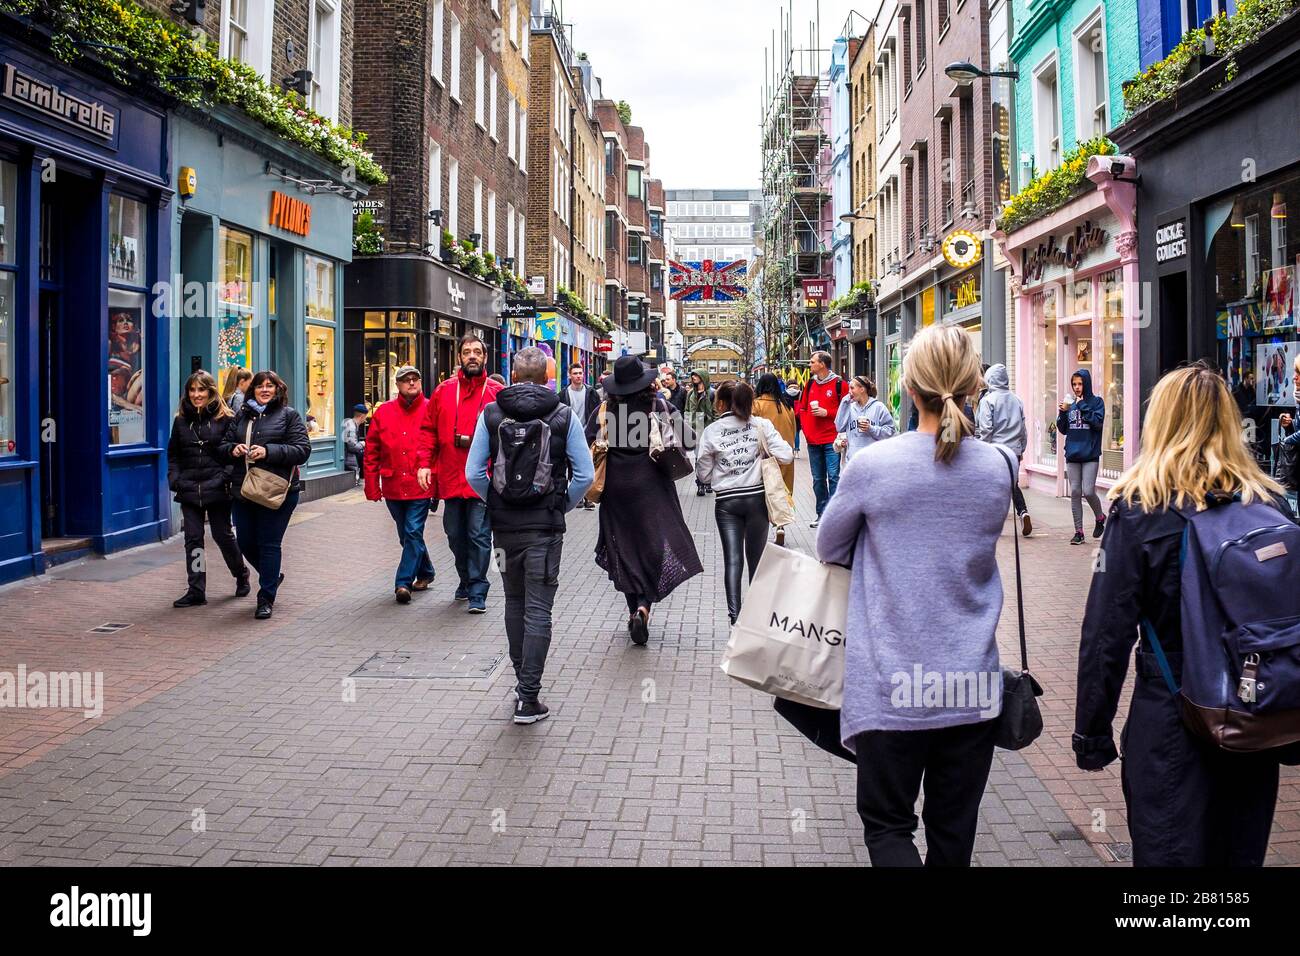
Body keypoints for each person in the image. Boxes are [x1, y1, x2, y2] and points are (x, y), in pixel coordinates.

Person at [1074, 362, 1296, 866]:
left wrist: (1092, 731)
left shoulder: (1139, 508)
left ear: (1162, 423)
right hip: (1252, 719)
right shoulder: (1271, 505)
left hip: (1173, 718)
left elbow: (1106, 633)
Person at [816, 324, 1012, 866]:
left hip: (890, 683)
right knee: (953, 835)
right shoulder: (998, 469)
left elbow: (829, 547)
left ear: (908, 388)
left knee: (888, 828)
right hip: (970, 684)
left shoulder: (873, 466)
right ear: (972, 385)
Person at [466, 347, 594, 725]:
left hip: (503, 532)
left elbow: (474, 473)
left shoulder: (490, 413)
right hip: (544, 531)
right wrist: (561, 505)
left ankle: (522, 683)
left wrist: (496, 500)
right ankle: (528, 696)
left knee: (513, 600)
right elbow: (584, 476)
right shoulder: (562, 415)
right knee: (539, 608)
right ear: (547, 377)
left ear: (514, 374)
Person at [586, 355, 703, 646]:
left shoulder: (604, 409)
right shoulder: (658, 405)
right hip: (652, 486)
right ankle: (643, 607)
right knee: (654, 546)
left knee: (624, 548)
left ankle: (633, 609)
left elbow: (586, 440)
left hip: (615, 488)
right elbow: (689, 439)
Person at [417, 334, 503, 614]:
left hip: (482, 479)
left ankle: (478, 589)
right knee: (454, 534)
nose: (472, 356)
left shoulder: (495, 393)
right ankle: (465, 579)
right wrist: (424, 464)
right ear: (459, 358)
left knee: (478, 534)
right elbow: (428, 430)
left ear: (485, 357)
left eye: (477, 352)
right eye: (467, 352)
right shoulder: (444, 391)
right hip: (451, 477)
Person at [695, 381, 793, 625]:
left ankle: (734, 615)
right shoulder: (761, 425)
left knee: (733, 558)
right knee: (756, 558)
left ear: (721, 403)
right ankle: (756, 613)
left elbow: (703, 475)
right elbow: (787, 455)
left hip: (727, 502)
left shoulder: (713, 431)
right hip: (756, 499)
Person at [218, 370, 311, 620]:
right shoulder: (242, 415)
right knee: (246, 542)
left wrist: (268, 451)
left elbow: (302, 450)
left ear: (278, 389)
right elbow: (223, 446)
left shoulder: (289, 415)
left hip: (277, 490)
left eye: (270, 386)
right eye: (260, 386)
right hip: (243, 489)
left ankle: (265, 597)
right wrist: (233, 449)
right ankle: (272, 576)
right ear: (252, 390)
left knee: (269, 543)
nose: (265, 390)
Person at [167, 370, 249, 607]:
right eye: (192, 390)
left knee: (222, 535)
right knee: (193, 540)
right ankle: (196, 590)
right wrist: (175, 479)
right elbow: (174, 454)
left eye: (201, 390)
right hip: (189, 488)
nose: (196, 395)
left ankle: (240, 573)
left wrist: (225, 477)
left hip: (218, 487)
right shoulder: (181, 421)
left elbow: (234, 453)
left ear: (211, 391)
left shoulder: (226, 419)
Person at [364, 366, 437, 604]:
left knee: (413, 531)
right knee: (406, 535)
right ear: (398, 385)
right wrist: (372, 485)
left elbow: (437, 445)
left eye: (416, 379)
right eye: (406, 380)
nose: (412, 383)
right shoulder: (384, 412)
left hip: (421, 484)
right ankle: (426, 571)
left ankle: (402, 582)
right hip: (394, 484)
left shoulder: (430, 408)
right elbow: (372, 451)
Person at [976, 363, 1033, 537]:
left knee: (993, 486)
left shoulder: (988, 400)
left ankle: (993, 522)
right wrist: (1021, 448)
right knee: (1012, 484)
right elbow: (1023, 428)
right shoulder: (1017, 400)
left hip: (995, 450)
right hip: (1014, 451)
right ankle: (1023, 512)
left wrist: (981, 449)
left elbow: (986, 428)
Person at [793, 351, 845, 527]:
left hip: (832, 440)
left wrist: (827, 413)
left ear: (822, 364)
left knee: (834, 477)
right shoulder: (809, 384)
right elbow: (803, 409)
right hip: (814, 441)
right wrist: (807, 433)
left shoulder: (839, 384)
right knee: (818, 479)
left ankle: (834, 515)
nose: (810, 365)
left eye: (812, 362)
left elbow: (847, 412)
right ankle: (821, 514)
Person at [1058, 368, 1106, 545]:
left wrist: (1083, 405)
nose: (1077, 387)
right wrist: (1062, 413)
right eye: (1074, 384)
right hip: (1072, 454)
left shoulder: (1097, 402)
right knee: (1075, 492)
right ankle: (1078, 531)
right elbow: (1063, 429)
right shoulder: (1070, 403)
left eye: (1080, 384)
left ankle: (1100, 517)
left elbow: (1097, 423)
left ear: (1086, 384)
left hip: (1090, 454)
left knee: (1088, 491)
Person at [559, 363, 600, 510]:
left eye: (580, 373)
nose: (578, 376)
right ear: (569, 375)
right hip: (570, 435)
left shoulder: (591, 393)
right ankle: (577, 498)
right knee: (571, 467)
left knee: (588, 466)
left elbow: (598, 413)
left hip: (588, 435)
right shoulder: (563, 394)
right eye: (575, 373)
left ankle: (588, 498)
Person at [834, 374, 895, 465]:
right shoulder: (849, 407)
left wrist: (871, 428)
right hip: (852, 461)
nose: (849, 392)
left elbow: (890, 432)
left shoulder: (879, 407)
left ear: (862, 389)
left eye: (852, 388)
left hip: (874, 462)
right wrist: (843, 404)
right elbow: (839, 427)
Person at [753, 372, 797, 496]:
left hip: (765, 459)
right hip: (785, 457)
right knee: (784, 496)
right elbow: (793, 432)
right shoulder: (787, 406)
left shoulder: (756, 405)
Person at [684, 369, 716, 496]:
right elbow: (687, 410)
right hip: (696, 429)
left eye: (696, 375)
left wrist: (715, 428)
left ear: (703, 377)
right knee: (698, 457)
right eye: (692, 375)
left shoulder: (713, 393)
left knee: (710, 457)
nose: (693, 377)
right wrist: (686, 426)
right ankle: (700, 484)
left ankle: (709, 482)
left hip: (709, 429)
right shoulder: (691, 393)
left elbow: (716, 412)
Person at [342, 403, 367, 484]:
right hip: (350, 461)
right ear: (362, 416)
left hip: (351, 460)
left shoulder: (352, 425)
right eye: (365, 417)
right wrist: (363, 444)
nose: (365, 419)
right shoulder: (351, 427)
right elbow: (352, 446)